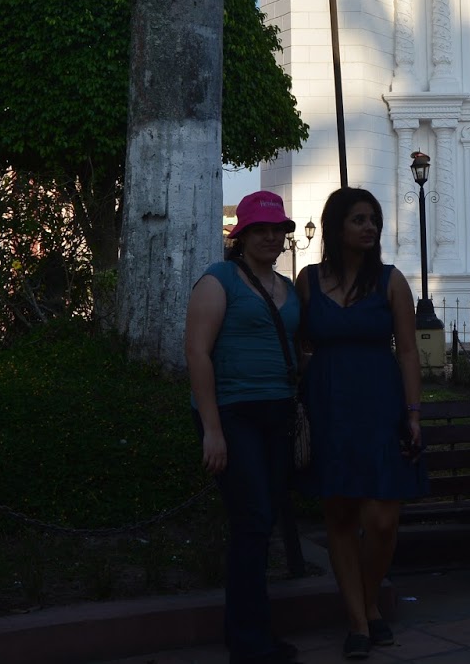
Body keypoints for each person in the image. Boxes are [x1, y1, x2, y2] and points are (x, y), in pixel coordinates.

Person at [296, 187, 428, 661]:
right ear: (336, 227)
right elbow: (299, 345)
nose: (369, 227)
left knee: (383, 518)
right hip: (329, 405)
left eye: (373, 219)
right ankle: (358, 620)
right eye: (358, 219)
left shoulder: (392, 282)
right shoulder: (308, 281)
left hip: (380, 405)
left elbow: (410, 351)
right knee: (340, 515)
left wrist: (413, 413)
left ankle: (369, 601)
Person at [184, 191, 303, 664]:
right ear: (242, 235)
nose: (272, 237)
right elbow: (196, 352)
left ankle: (254, 633)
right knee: (252, 521)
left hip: (278, 412)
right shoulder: (219, 281)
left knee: (263, 521)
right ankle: (249, 642)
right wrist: (212, 429)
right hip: (234, 413)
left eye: (278, 229)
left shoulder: (287, 288)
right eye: (262, 229)